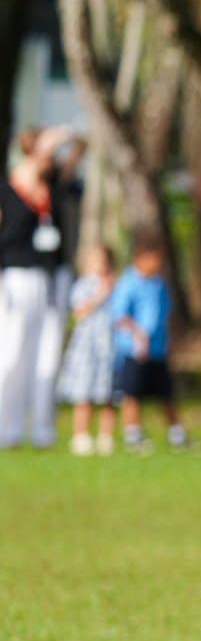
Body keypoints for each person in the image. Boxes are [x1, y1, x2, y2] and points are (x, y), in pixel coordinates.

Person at [0, 126, 80, 450]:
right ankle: (7, 427)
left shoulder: (51, 188)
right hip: (16, 278)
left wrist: (65, 137)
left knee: (46, 356)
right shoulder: (10, 188)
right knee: (13, 353)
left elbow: (80, 150)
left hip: (47, 278)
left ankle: (42, 428)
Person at [108, 236, 185, 453]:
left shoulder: (159, 284)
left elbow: (165, 315)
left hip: (158, 349)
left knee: (166, 393)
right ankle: (133, 434)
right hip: (134, 350)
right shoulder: (128, 282)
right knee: (132, 393)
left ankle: (176, 434)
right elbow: (119, 315)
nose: (156, 265)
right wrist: (137, 334)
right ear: (139, 259)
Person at [56, 242, 119, 456]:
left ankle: (106, 438)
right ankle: (81, 436)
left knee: (108, 394)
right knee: (84, 395)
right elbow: (79, 313)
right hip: (87, 349)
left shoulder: (116, 286)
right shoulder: (83, 285)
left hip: (108, 347)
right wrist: (100, 295)